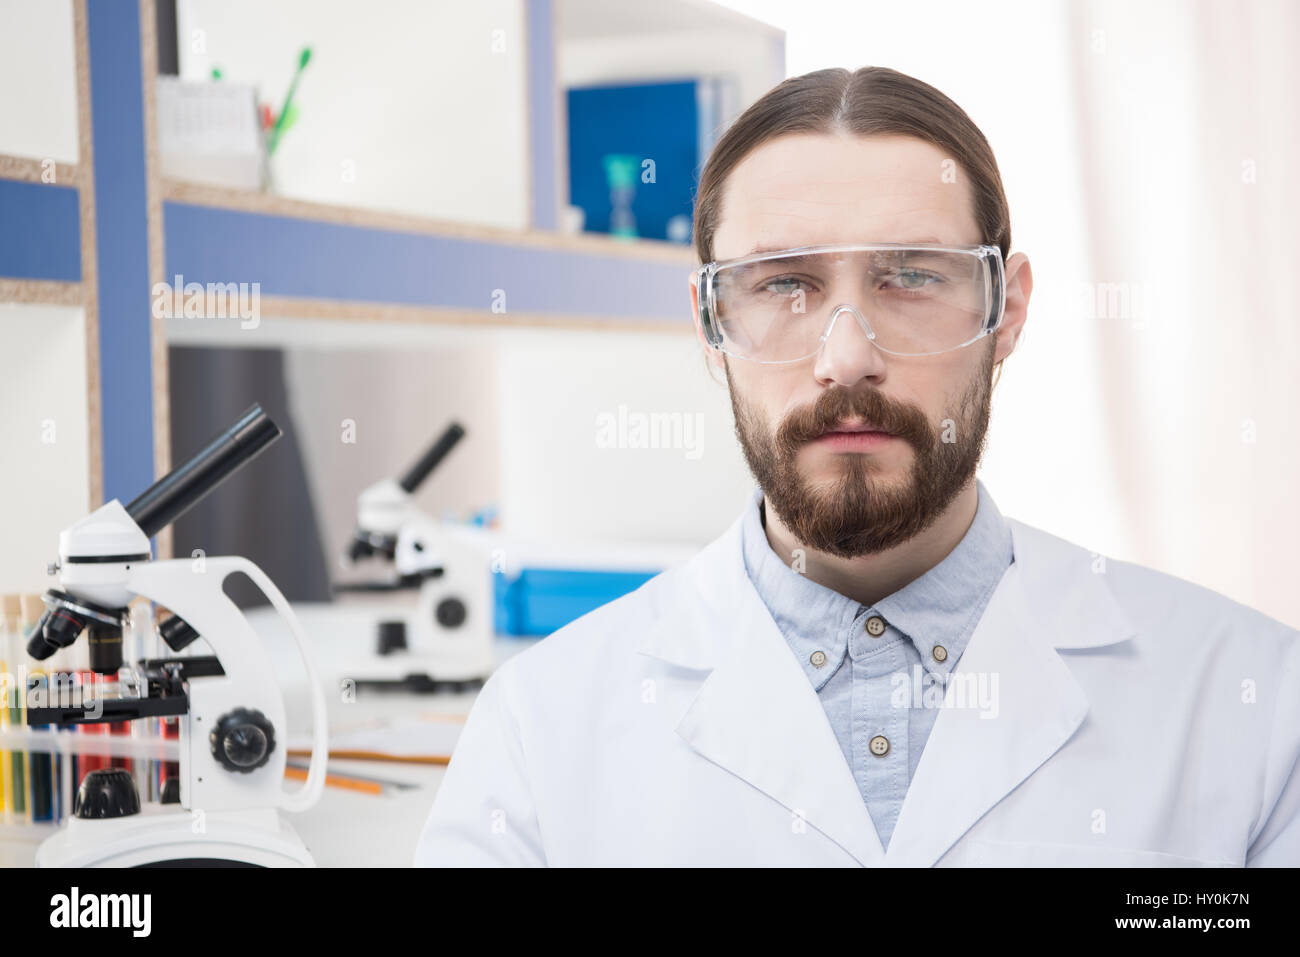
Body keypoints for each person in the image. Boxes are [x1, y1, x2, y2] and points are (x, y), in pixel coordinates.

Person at [414, 66, 1299, 867]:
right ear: (709, 325)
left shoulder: (1251, 705)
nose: (845, 359)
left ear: (1008, 310)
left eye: (910, 277)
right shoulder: (539, 728)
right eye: (782, 283)